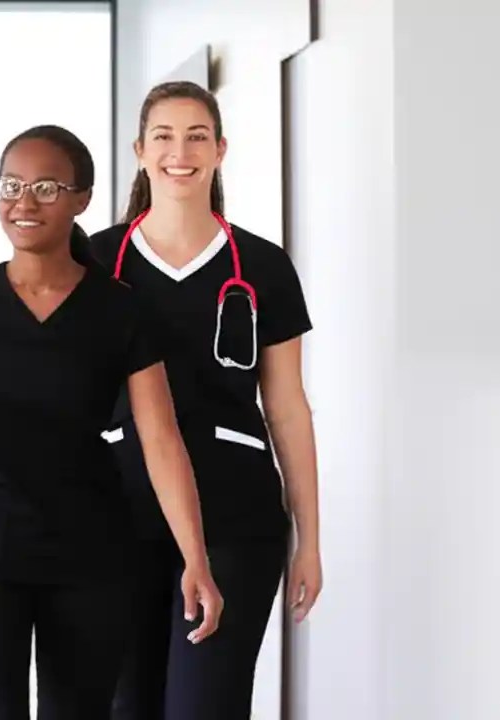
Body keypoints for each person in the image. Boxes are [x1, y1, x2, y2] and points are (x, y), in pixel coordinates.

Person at [0, 125, 223, 720]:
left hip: (92, 556)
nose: (24, 201)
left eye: (45, 186)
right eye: (11, 184)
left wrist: (196, 558)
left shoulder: (122, 311)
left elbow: (161, 441)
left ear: (81, 198)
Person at [88, 80, 323, 720]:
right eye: (163, 136)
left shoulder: (263, 267)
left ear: (220, 150)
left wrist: (310, 538)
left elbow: (287, 408)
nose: (179, 152)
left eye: (197, 136)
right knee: (124, 705)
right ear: (140, 150)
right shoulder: (94, 261)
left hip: (235, 522)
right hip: (115, 520)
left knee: (205, 707)